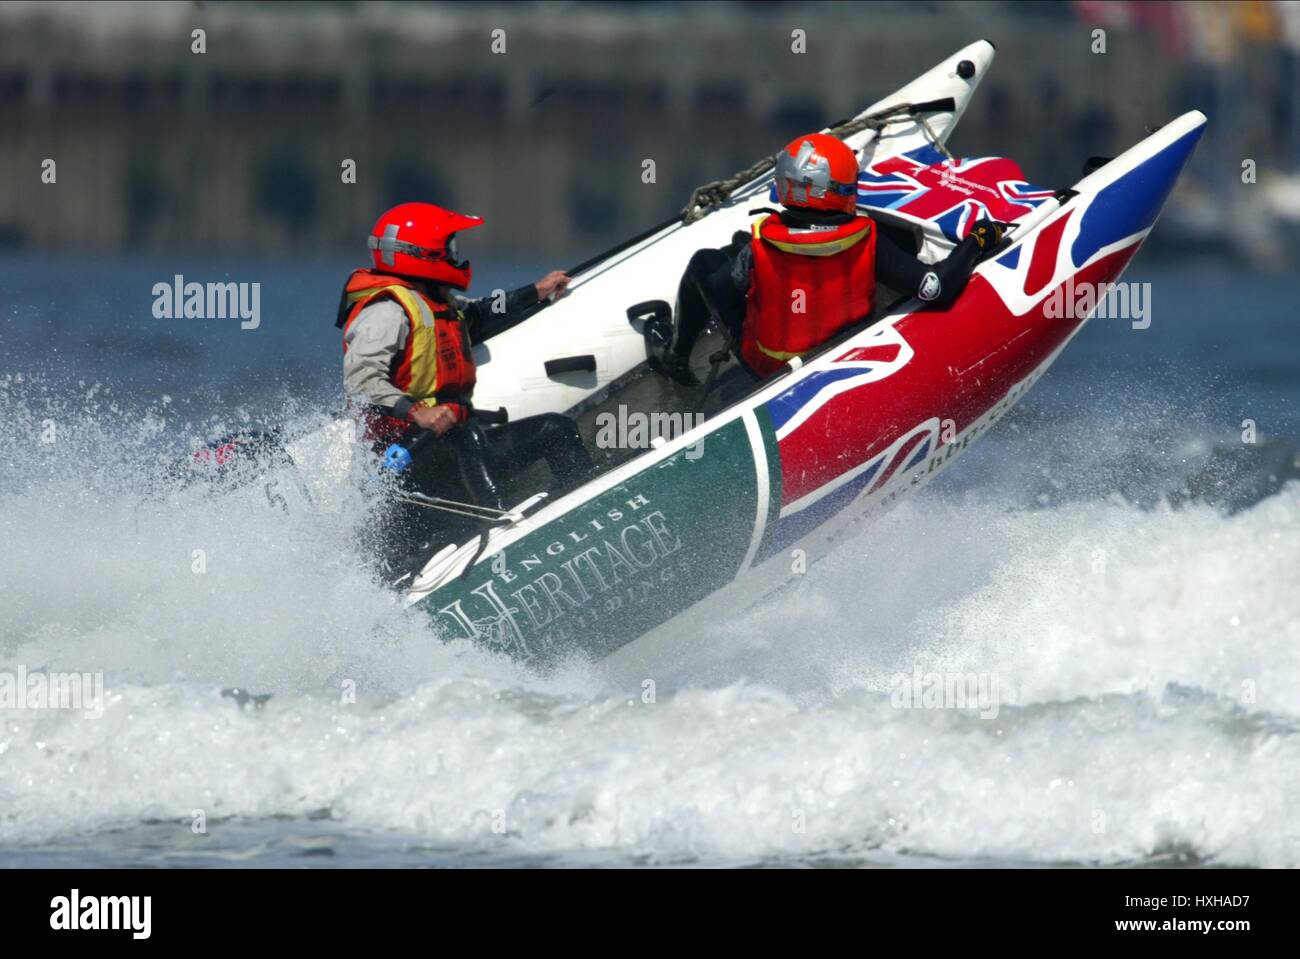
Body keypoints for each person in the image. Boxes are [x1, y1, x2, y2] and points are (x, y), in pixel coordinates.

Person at [337, 202, 593, 569]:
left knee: (556, 429)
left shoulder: (440, 303)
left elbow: (484, 314)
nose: (457, 257)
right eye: (451, 248)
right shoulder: (386, 312)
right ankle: (503, 533)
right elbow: (361, 382)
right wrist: (418, 413)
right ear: (424, 254)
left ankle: (584, 515)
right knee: (468, 438)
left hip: (451, 451)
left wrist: (537, 291)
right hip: (406, 464)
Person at [649, 133, 1006, 385]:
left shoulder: (760, 243)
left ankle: (676, 357)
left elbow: (720, 289)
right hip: (837, 356)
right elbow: (936, 288)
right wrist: (977, 241)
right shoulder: (869, 239)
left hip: (766, 365)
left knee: (704, 263)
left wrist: (750, 307)